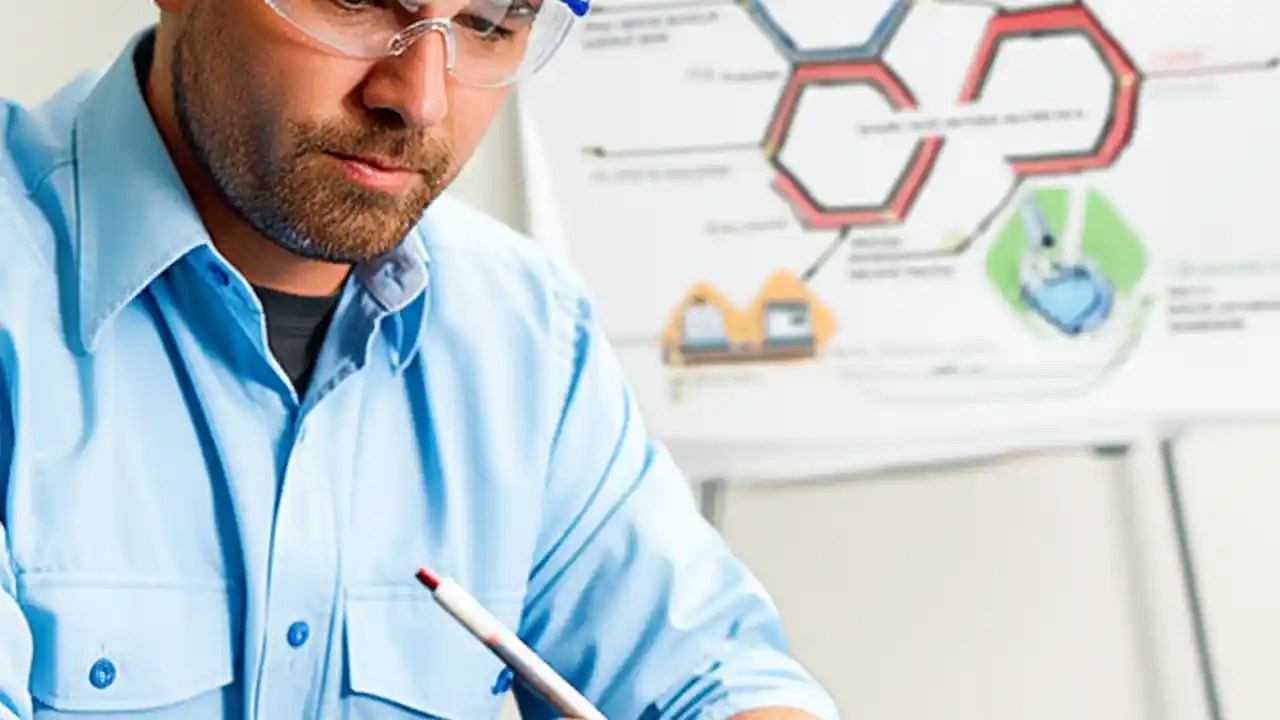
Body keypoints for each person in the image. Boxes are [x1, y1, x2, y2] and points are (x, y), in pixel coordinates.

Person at [0, 0, 838, 718]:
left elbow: (712, 675)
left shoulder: (529, 340)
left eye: (489, 23)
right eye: (358, 1)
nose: (421, 99)